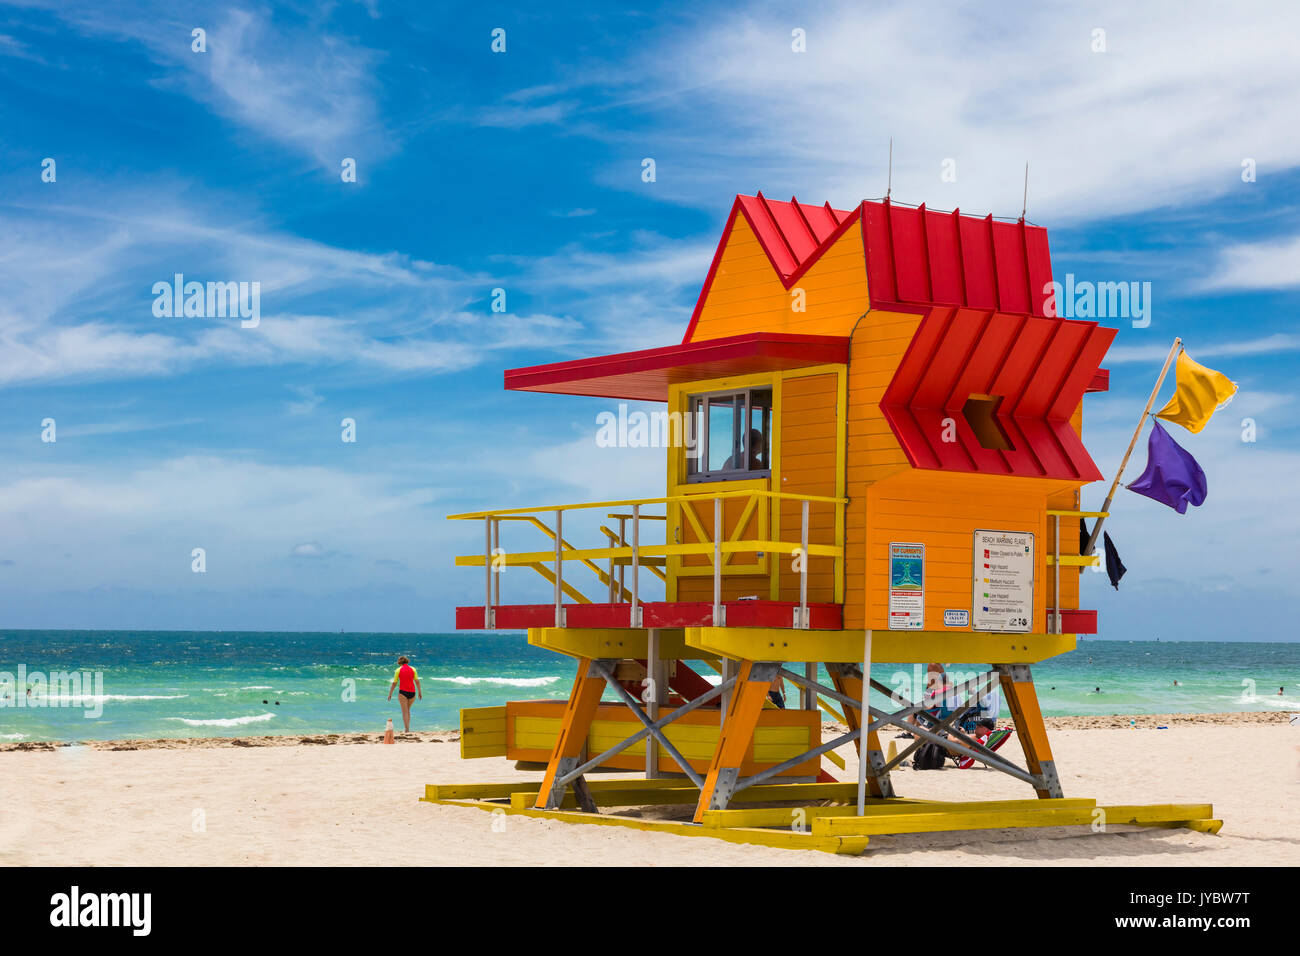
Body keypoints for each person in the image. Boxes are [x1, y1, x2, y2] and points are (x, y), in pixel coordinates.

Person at [387, 656, 422, 732]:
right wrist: (419, 692)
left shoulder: (398, 670)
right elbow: (417, 681)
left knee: (405, 712)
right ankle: (407, 728)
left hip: (403, 693)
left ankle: (407, 729)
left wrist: (390, 694)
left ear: (399, 662)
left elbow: (394, 683)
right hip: (412, 693)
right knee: (407, 711)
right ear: (407, 661)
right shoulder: (413, 669)